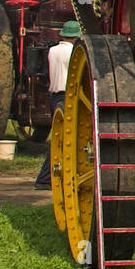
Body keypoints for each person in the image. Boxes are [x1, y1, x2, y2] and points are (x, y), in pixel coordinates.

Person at [35, 21, 81, 189]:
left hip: (55, 96)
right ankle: (45, 178)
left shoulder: (52, 51)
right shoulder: (75, 51)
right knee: (66, 139)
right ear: (77, 37)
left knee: (58, 138)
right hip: (68, 95)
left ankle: (50, 177)